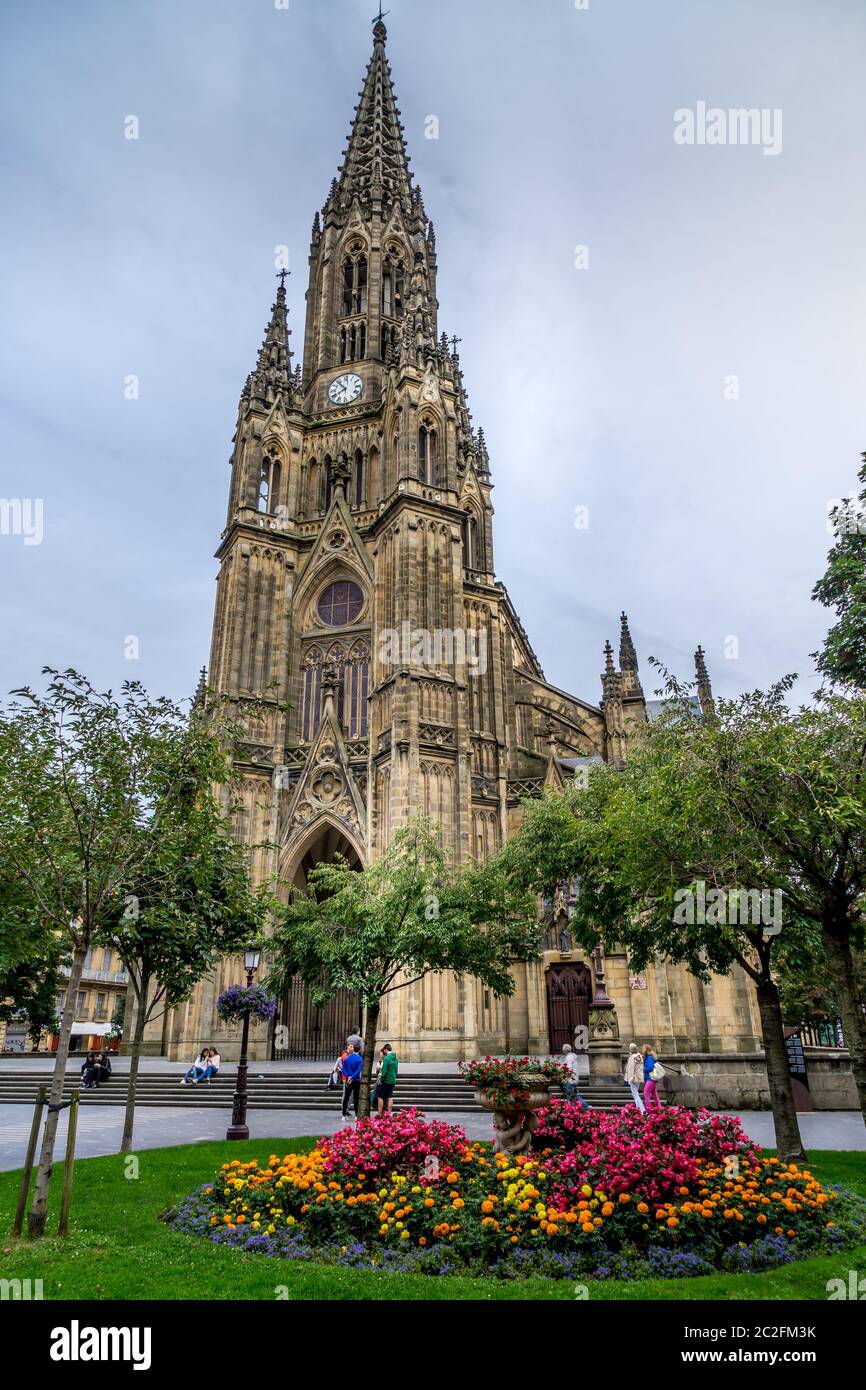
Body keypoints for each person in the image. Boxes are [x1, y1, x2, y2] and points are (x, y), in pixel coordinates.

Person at [341, 1042, 363, 1120]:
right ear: (359, 1050)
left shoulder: (347, 1057)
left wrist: (349, 1077)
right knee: (356, 1098)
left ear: (353, 1049)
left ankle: (343, 1115)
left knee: (346, 1097)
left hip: (348, 1080)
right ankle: (356, 1116)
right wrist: (353, 1077)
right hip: (356, 1080)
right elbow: (358, 1070)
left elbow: (343, 1069)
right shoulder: (360, 1059)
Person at [375, 1043, 398, 1114]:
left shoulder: (386, 1058)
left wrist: (381, 1080)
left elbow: (384, 1072)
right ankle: (389, 1114)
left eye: (384, 1050)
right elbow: (396, 1070)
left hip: (386, 1081)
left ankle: (379, 1114)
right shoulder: (396, 1059)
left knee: (380, 1097)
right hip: (392, 1080)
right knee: (390, 1097)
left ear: (385, 1050)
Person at [624, 1042, 646, 1113]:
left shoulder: (632, 1058)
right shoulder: (640, 1056)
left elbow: (631, 1069)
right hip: (639, 1078)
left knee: (635, 1095)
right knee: (636, 1093)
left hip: (633, 1078)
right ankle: (641, 1109)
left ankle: (641, 1110)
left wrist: (630, 1080)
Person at [642, 1042, 662, 1110]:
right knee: (654, 1094)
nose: (642, 1050)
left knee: (646, 1093)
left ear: (646, 1050)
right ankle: (659, 1107)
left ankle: (648, 1110)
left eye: (643, 1049)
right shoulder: (649, 1057)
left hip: (650, 1078)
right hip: (651, 1079)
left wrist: (643, 1069)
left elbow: (650, 1067)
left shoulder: (649, 1058)